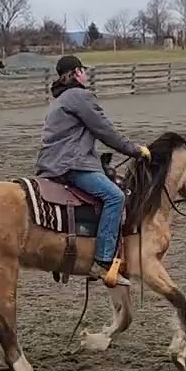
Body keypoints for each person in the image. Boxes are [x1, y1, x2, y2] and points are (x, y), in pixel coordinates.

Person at [36, 54, 151, 287]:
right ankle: (103, 261)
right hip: (72, 163)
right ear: (78, 72)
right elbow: (105, 131)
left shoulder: (58, 100)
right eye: (83, 71)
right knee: (115, 196)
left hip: (52, 163)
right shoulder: (80, 96)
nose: (86, 75)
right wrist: (135, 150)